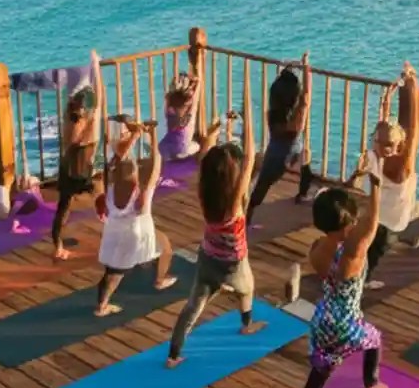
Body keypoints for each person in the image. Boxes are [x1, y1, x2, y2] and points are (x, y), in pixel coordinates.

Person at [166, 74, 266, 369]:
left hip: (208, 257)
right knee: (247, 289)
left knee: (193, 306)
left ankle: (173, 355)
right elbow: (249, 158)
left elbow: (207, 156)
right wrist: (248, 101)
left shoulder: (204, 193)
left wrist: (215, 130)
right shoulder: (236, 206)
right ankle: (246, 324)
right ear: (234, 181)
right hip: (233, 263)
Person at [298, 178, 389, 388]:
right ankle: (371, 385)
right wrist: (376, 186)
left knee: (318, 377)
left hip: (322, 319)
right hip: (345, 324)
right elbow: (372, 224)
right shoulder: (352, 257)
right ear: (348, 224)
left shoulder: (317, 248)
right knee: (374, 339)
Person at [343, 62, 419, 289]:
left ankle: (360, 277)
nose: (386, 147)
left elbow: (385, 131)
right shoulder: (400, 167)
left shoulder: (373, 153)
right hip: (391, 221)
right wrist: (412, 84)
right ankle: (362, 281)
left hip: (375, 215)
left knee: (368, 248)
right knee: (373, 253)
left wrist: (389, 101)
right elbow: (414, 127)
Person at [95, 117, 178, 317]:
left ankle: (102, 304)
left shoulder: (111, 187)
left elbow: (116, 161)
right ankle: (159, 280)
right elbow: (156, 163)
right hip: (135, 235)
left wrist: (135, 135)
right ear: (134, 175)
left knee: (112, 272)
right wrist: (152, 134)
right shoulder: (140, 195)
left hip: (114, 232)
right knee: (162, 249)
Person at [245, 53, 315, 226]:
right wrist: (306, 67)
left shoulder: (273, 114)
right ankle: (302, 193)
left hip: (276, 152)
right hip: (289, 155)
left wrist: (292, 68)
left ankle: (248, 215)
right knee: (304, 160)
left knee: (263, 184)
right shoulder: (297, 117)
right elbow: (306, 95)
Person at [53, 51, 104, 261]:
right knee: (101, 192)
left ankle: (57, 246)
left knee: (63, 207)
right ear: (84, 110)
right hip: (82, 171)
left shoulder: (68, 120)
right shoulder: (88, 124)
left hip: (68, 168)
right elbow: (99, 100)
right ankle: (111, 230)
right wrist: (96, 68)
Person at [158, 71, 204, 161]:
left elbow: (168, 97)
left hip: (166, 147)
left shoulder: (169, 112)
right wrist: (197, 84)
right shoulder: (185, 119)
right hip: (181, 149)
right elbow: (193, 102)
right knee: (197, 146)